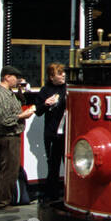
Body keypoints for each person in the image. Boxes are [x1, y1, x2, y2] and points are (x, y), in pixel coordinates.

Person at [0, 65, 36, 212]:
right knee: (9, 171)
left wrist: (20, 91)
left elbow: (19, 104)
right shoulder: (1, 95)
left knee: (2, 170)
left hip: (4, 136)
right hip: (8, 137)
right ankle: (2, 203)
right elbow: (6, 120)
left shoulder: (8, 93)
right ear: (7, 77)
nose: (17, 80)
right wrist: (23, 115)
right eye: (15, 77)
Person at [34, 63, 67, 201]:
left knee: (70, 165)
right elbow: (38, 112)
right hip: (52, 134)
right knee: (53, 165)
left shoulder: (69, 88)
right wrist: (45, 104)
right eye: (60, 73)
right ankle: (52, 194)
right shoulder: (45, 90)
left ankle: (70, 193)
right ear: (51, 77)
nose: (63, 75)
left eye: (63, 72)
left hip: (67, 134)